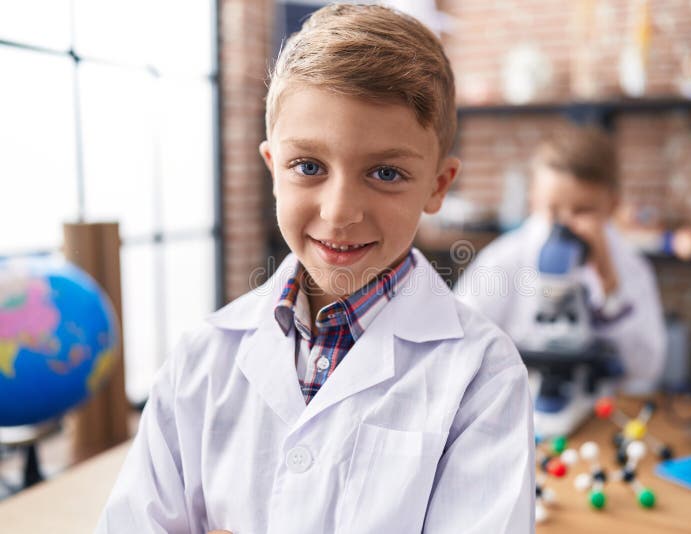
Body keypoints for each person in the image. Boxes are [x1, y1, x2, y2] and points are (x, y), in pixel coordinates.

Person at [96, 5, 535, 533]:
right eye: (308, 167)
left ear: (438, 186)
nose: (339, 211)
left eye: (385, 172)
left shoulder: (483, 377)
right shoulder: (201, 361)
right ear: (272, 170)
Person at [455, 124, 666, 394]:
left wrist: (610, 286)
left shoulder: (631, 267)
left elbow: (646, 370)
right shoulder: (502, 260)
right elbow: (457, 344)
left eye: (582, 211)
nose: (564, 226)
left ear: (612, 205)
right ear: (533, 200)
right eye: (553, 210)